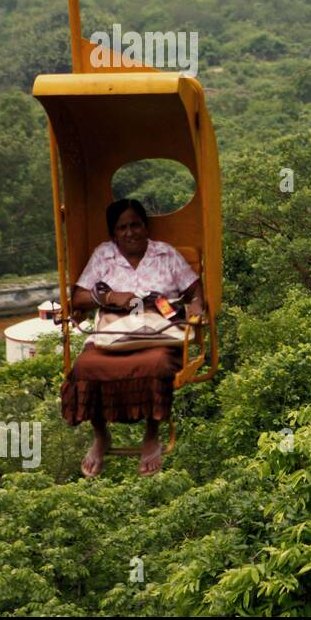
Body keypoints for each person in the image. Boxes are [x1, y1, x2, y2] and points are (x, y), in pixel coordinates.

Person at [66, 198, 203, 478]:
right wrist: (111, 296)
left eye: (136, 225)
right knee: (85, 367)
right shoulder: (104, 255)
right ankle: (101, 435)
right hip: (114, 325)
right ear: (113, 233)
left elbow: (195, 290)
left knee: (157, 364)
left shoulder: (165, 254)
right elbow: (78, 295)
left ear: (146, 226)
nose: (131, 233)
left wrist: (197, 314)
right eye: (123, 227)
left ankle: (151, 435)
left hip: (158, 325)